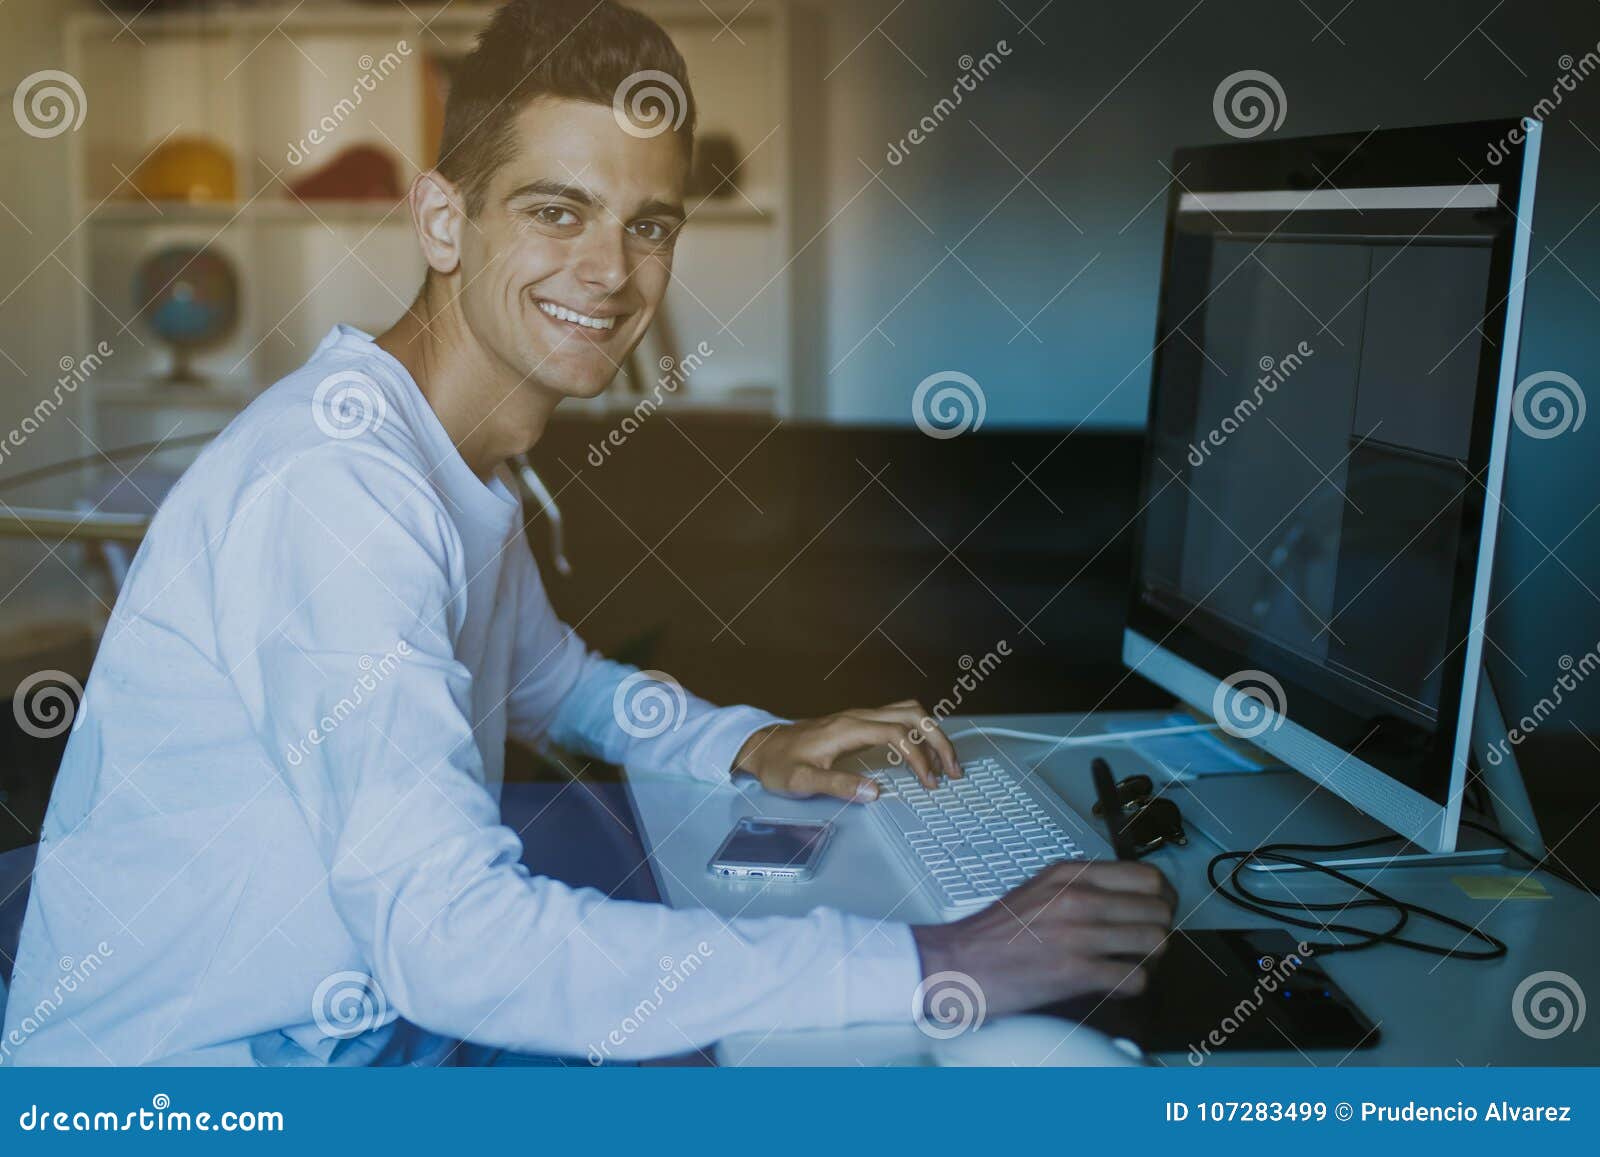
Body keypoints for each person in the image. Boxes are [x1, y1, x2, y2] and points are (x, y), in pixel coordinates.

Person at [3, 0, 1173, 1066]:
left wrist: (751, 744)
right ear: (443, 219)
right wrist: (940, 962)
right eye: (555, 211)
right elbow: (450, 938)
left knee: (866, 1045)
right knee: (936, 1064)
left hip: (344, 1021)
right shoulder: (337, 491)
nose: (610, 272)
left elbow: (551, 679)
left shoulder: (446, 450)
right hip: (207, 1079)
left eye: (647, 224)